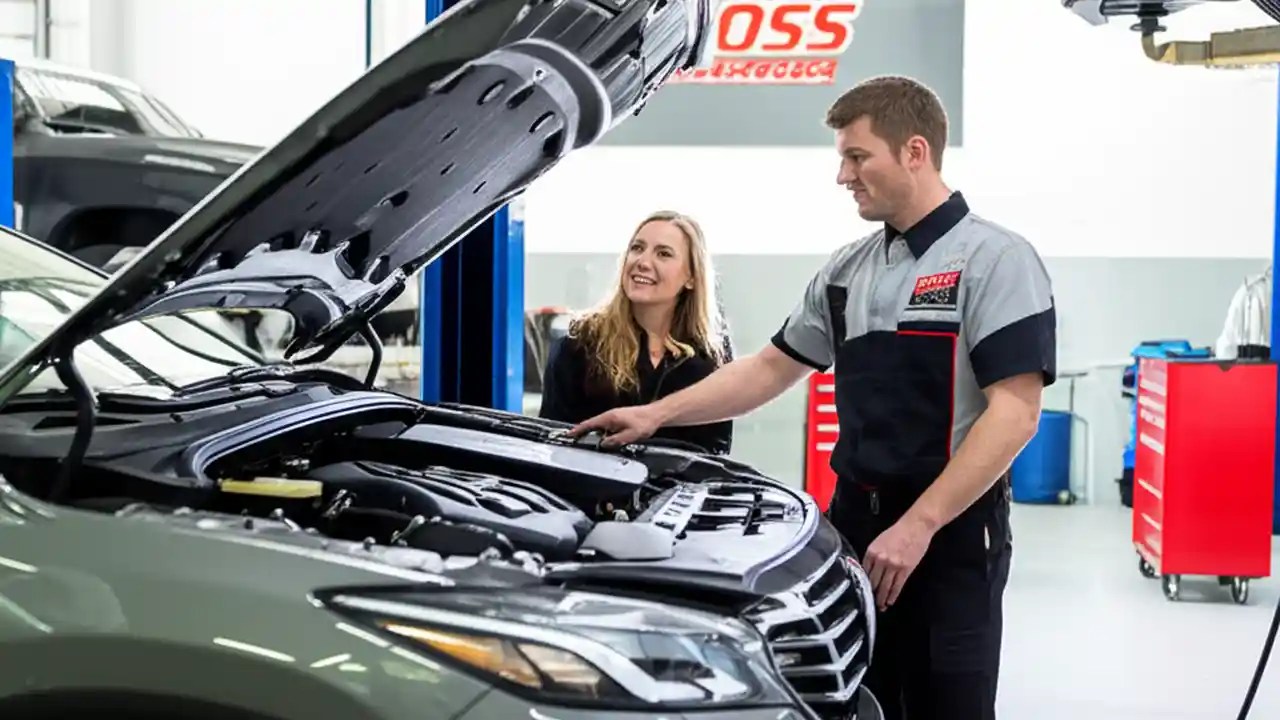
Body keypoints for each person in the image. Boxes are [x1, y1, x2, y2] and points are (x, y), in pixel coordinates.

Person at [567, 76, 1056, 720]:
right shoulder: (847, 270)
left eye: (857, 157)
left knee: (946, 702)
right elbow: (770, 369)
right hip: (855, 525)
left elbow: (1016, 412)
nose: (843, 176)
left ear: (915, 151)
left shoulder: (996, 260)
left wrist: (919, 525)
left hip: (948, 534)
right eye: (842, 159)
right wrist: (655, 414)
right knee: (854, 698)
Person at [538, 209, 734, 455]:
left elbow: (716, 454)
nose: (642, 261)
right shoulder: (580, 342)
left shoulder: (712, 352)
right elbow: (555, 442)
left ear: (691, 277)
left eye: (663, 254)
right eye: (637, 248)